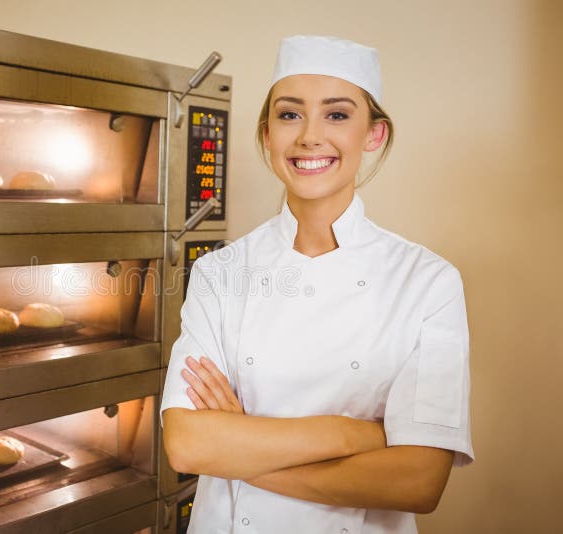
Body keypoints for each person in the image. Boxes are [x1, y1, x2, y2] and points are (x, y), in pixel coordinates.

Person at [160, 35, 473, 534]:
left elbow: (417, 482)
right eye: (289, 115)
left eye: (337, 114)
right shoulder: (220, 273)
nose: (309, 136)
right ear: (267, 134)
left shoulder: (428, 282)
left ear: (373, 134)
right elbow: (188, 445)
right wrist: (355, 435)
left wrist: (239, 446)